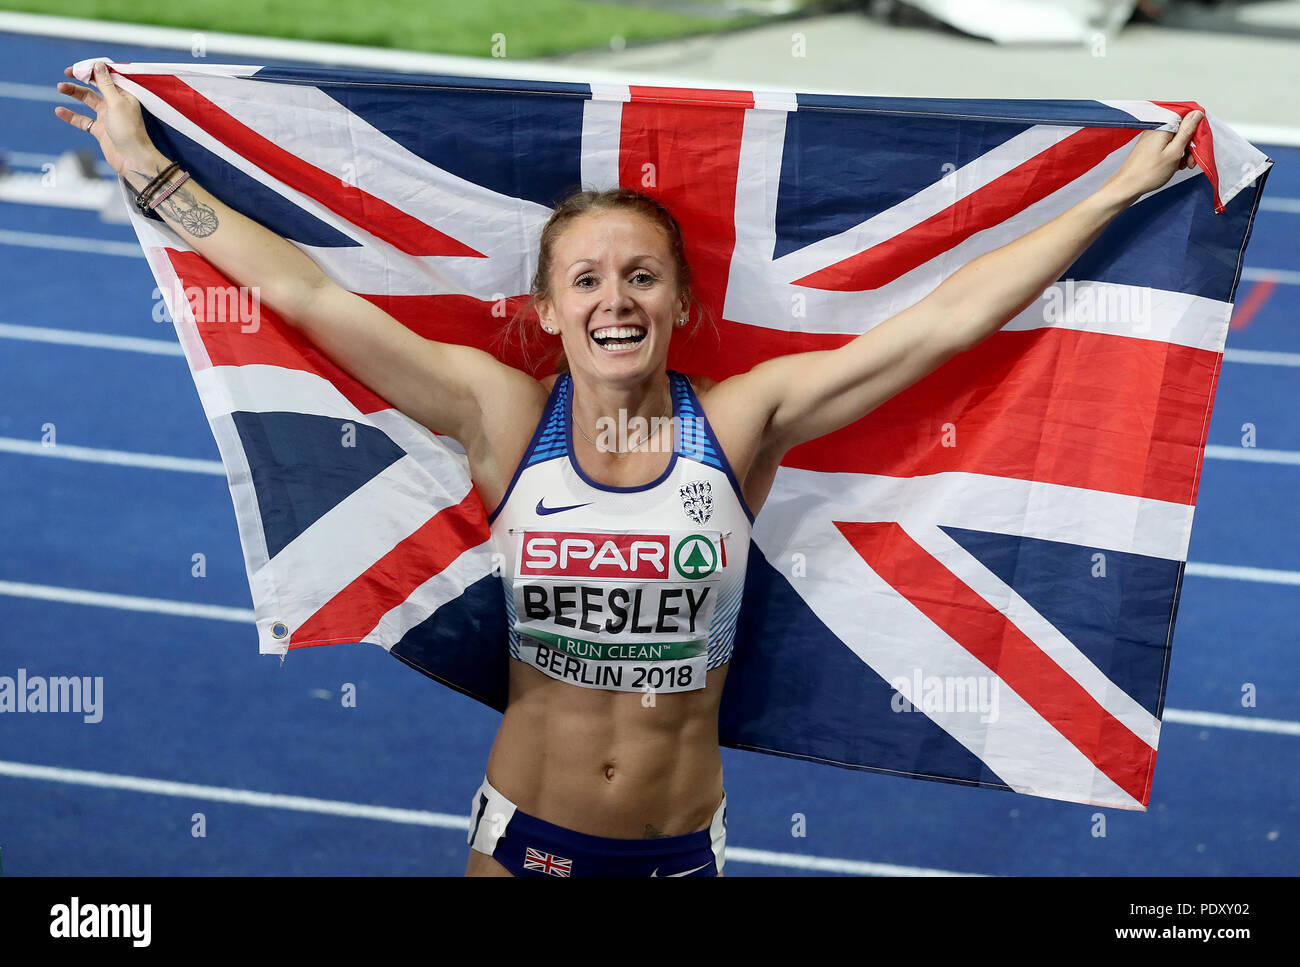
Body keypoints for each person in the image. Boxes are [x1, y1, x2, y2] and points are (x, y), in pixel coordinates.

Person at [56, 60, 1202, 877]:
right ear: (547, 308)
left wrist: (1111, 192)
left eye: (642, 277)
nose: (616, 300)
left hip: (677, 851)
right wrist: (143, 165)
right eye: (589, 280)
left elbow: (941, 326)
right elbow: (306, 291)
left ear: (680, 304)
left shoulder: (742, 422)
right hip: (523, 843)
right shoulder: (498, 412)